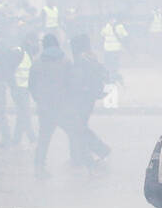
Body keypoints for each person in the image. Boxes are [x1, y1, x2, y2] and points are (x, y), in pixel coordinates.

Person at [27, 32, 76, 177]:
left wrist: (39, 98)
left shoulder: (37, 62)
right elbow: (71, 83)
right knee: (73, 132)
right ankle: (82, 160)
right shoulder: (66, 61)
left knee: (44, 137)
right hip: (62, 105)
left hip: (45, 106)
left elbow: (31, 85)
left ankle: (39, 165)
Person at [68, 33, 110, 166]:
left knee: (78, 127)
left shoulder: (81, 59)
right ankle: (79, 155)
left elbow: (78, 80)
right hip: (89, 97)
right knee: (78, 126)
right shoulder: (91, 56)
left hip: (82, 98)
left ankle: (100, 150)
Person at [11, 34, 38, 145]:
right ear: (29, 41)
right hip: (19, 88)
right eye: (34, 41)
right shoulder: (19, 52)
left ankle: (16, 138)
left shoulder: (28, 53)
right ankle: (31, 137)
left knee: (22, 114)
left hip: (23, 88)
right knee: (25, 113)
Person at [100, 16, 127, 81]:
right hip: (111, 48)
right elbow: (125, 35)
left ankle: (112, 74)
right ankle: (112, 74)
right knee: (112, 62)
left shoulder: (108, 26)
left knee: (112, 62)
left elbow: (102, 35)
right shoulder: (118, 26)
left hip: (112, 48)